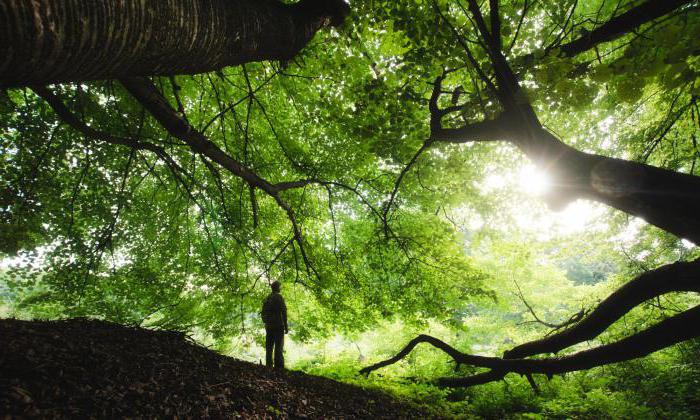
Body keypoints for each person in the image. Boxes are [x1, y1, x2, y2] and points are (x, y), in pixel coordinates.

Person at [261, 281, 288, 370]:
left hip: (269, 326)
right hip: (278, 325)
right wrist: (286, 325)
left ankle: (268, 366)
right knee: (278, 347)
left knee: (269, 347)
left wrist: (266, 322)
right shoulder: (279, 297)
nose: (280, 288)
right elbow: (284, 311)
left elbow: (263, 312)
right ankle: (279, 368)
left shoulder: (267, 298)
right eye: (279, 287)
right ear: (277, 288)